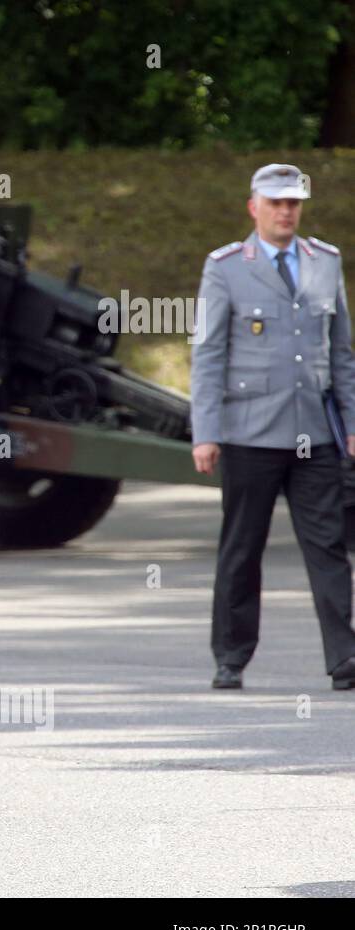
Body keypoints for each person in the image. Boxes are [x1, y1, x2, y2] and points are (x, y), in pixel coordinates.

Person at [190, 163, 355, 691]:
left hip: (316, 433)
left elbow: (341, 352)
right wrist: (205, 432)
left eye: (293, 203)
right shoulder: (225, 267)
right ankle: (231, 657)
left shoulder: (325, 261)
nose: (286, 211)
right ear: (253, 207)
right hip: (250, 433)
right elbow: (208, 354)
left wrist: (352, 422)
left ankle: (345, 657)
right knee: (242, 548)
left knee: (328, 546)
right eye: (276, 202)